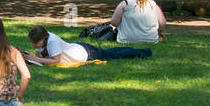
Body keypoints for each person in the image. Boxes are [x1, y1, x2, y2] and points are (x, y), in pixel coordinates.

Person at [23, 25, 151, 64]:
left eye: (35, 43)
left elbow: (56, 61)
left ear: (43, 38)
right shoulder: (44, 38)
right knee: (111, 52)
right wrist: (33, 57)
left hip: (85, 53)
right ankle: (137, 50)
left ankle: (144, 52)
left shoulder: (53, 42)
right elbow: (42, 55)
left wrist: (36, 58)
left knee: (113, 55)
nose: (34, 45)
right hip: (79, 48)